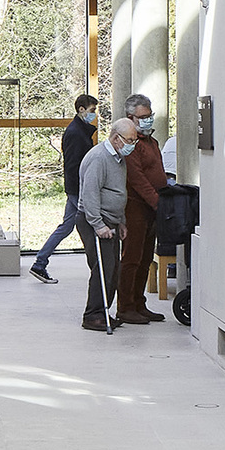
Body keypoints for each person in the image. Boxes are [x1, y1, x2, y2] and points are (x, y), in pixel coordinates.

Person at [29, 93, 99, 282]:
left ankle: (40, 262)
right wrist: (84, 188)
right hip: (79, 188)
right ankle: (98, 266)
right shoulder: (76, 133)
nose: (94, 115)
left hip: (76, 187)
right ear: (81, 109)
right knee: (91, 225)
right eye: (92, 111)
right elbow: (75, 165)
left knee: (67, 226)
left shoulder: (79, 130)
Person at [77, 117, 136, 332]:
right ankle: (92, 315)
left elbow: (118, 191)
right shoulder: (99, 157)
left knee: (113, 270)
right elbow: (90, 194)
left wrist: (121, 221)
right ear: (115, 138)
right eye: (129, 140)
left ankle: (104, 311)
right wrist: (98, 225)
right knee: (103, 268)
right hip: (94, 221)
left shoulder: (118, 158)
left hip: (111, 220)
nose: (132, 144)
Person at [118, 92, 168, 325]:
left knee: (146, 257)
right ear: (131, 117)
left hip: (152, 210)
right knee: (132, 258)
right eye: (143, 116)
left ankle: (139, 302)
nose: (148, 119)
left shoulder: (152, 142)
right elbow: (137, 179)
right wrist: (157, 202)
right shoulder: (131, 144)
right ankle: (125, 306)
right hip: (135, 208)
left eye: (150, 115)